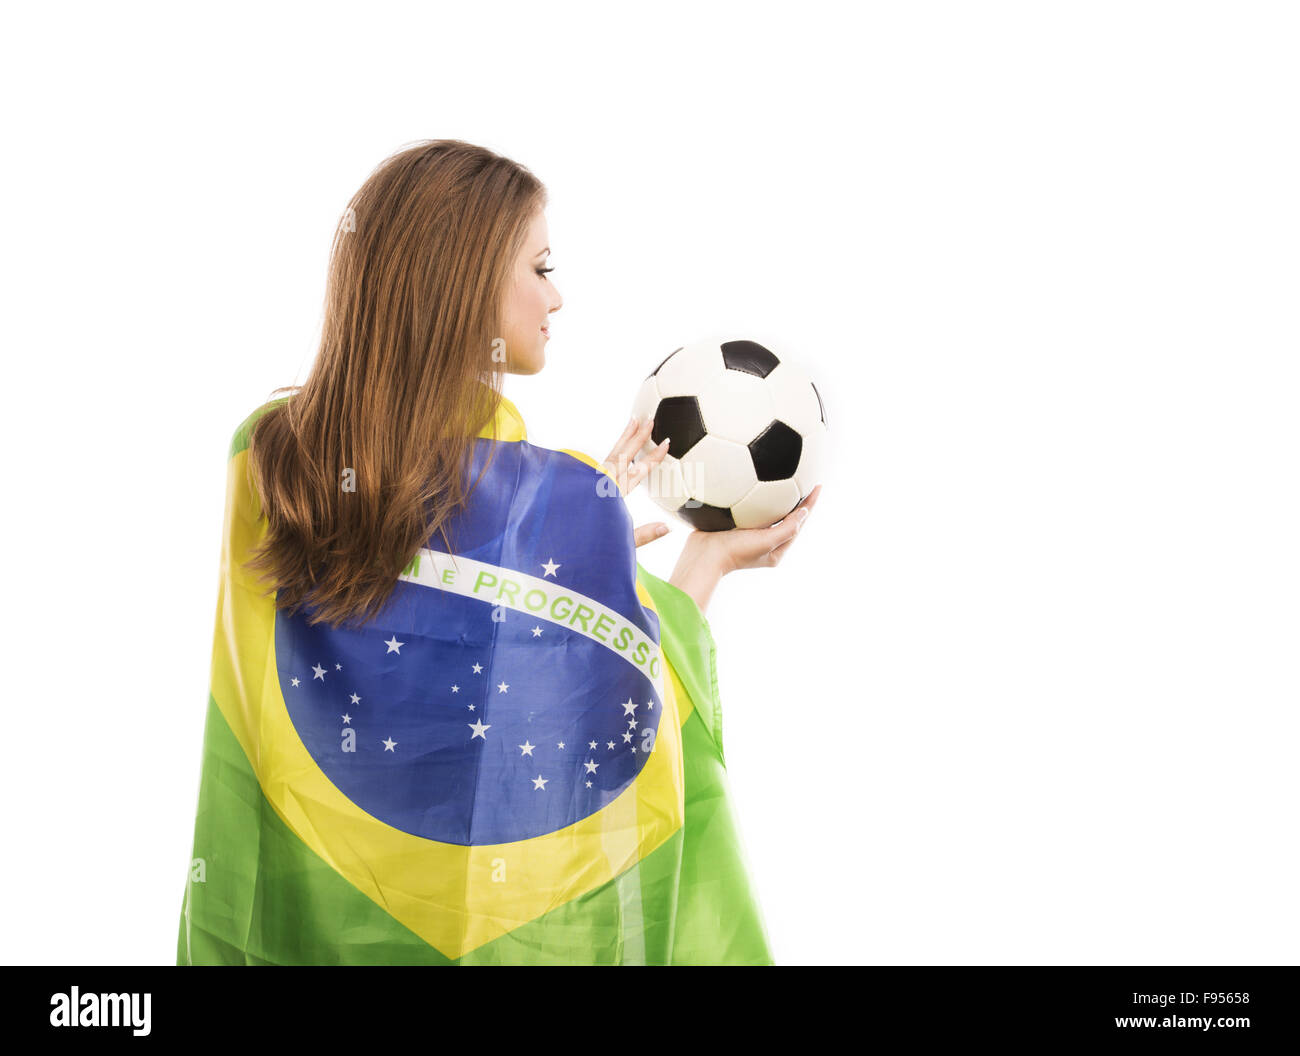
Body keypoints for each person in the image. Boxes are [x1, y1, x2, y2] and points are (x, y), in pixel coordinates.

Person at [175, 139, 821, 966]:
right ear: (468, 280)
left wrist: (577, 521)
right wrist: (661, 552)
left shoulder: (268, 455)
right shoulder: (553, 499)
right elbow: (630, 721)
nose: (559, 295)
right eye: (541, 267)